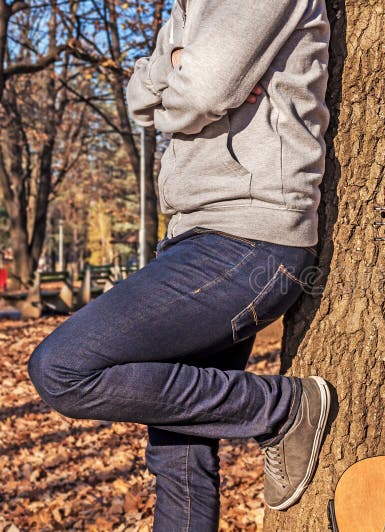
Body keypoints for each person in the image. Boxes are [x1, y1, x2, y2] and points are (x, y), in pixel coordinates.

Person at [26, 0, 332, 529]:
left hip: (249, 237)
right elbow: (136, 99)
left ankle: (282, 408)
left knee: (62, 368)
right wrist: (183, 74)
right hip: (201, 234)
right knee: (179, 456)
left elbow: (203, 92)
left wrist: (184, 77)